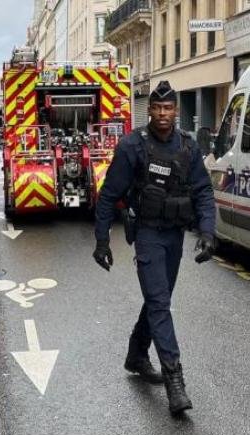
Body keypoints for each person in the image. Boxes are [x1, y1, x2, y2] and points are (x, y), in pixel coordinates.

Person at [92, 81, 216, 416]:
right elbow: (108, 195)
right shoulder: (133, 146)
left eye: (169, 109)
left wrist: (207, 231)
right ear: (150, 110)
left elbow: (203, 192)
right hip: (146, 233)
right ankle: (175, 380)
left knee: (158, 299)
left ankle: (136, 355)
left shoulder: (188, 148)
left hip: (173, 236)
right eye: (157, 109)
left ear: (176, 111)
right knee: (160, 302)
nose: (162, 115)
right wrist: (102, 239)